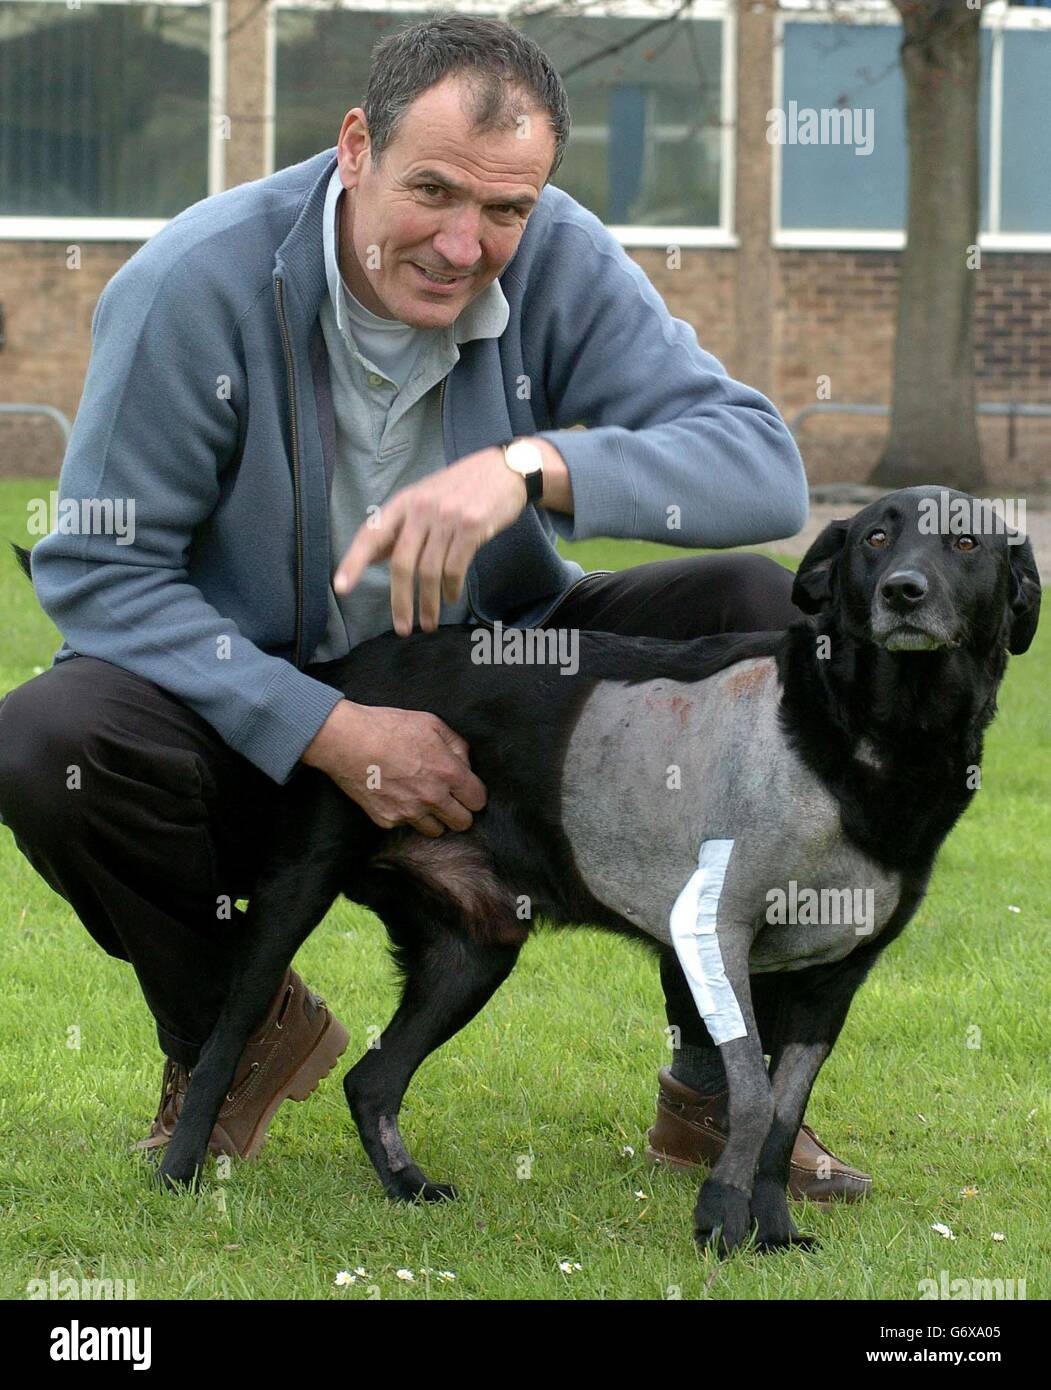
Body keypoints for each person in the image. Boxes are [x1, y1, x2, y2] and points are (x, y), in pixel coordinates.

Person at [0, 14, 867, 1199]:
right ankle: (227, 1025)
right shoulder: (188, 286)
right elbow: (98, 569)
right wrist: (330, 728)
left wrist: (532, 467)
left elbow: (761, 466)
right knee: (48, 742)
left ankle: (717, 1091)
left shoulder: (558, 256)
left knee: (757, 611)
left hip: (489, 704)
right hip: (258, 731)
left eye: (505, 210)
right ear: (355, 146)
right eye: (434, 191)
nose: (466, 244)